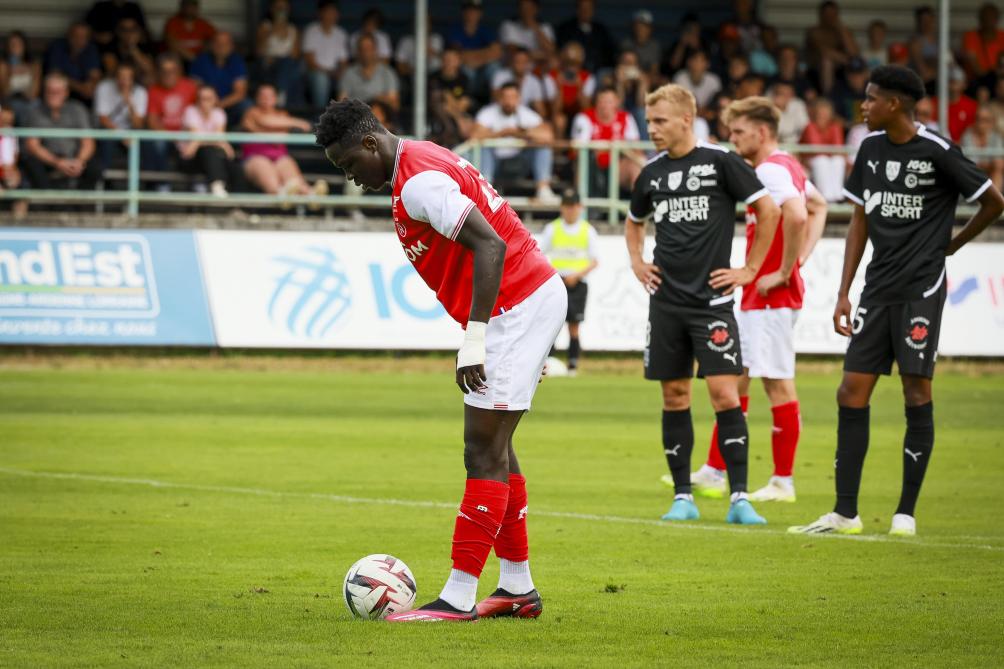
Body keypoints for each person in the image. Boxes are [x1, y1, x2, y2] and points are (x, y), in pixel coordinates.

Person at [316, 98, 566, 622]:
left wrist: (476, 338)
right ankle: (517, 587)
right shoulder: (420, 158)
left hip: (514, 304)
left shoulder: (418, 182)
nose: (351, 178)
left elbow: (490, 246)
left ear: (369, 142)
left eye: (349, 166)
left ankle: (457, 596)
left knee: (482, 449)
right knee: (497, 445)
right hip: (524, 302)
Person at [789, 65, 1004, 537]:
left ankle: (906, 511)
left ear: (895, 104)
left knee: (916, 390)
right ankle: (845, 512)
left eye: (869, 99)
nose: (862, 107)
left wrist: (953, 245)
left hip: (920, 290)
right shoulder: (869, 149)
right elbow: (860, 222)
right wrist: (844, 292)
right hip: (877, 289)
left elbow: (993, 201)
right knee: (851, 391)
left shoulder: (939, 151)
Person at [624, 83, 780, 525]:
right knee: (675, 397)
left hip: (712, 302)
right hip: (666, 302)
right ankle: (682, 497)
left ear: (686, 120)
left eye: (660, 121)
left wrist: (749, 270)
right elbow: (634, 223)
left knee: (724, 393)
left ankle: (740, 499)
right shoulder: (651, 174)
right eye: (649, 121)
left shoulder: (721, 162)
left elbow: (768, 211)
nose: (651, 129)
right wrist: (637, 261)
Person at [688, 96, 828, 501]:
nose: (733, 139)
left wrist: (785, 270)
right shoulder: (789, 164)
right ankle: (716, 468)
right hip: (765, 294)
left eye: (739, 132)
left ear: (762, 132)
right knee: (740, 375)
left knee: (778, 383)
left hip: (771, 295)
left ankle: (783, 480)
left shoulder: (769, 169)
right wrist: (799, 259)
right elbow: (818, 207)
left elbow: (800, 215)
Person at [538, 188, 598, 374]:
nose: (570, 210)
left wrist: (577, 275)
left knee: (574, 326)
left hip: (577, 283)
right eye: (567, 206)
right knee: (552, 324)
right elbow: (539, 254)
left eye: (573, 206)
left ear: (580, 207)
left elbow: (594, 261)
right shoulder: (552, 229)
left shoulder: (587, 230)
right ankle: (549, 362)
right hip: (557, 282)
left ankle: (573, 364)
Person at [471, 82, 558, 203]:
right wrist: (501, 133)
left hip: (520, 162)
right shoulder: (487, 113)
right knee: (484, 147)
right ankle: (486, 191)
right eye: (505, 97)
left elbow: (548, 136)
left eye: (512, 97)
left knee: (543, 145)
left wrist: (519, 133)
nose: (508, 101)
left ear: (518, 99)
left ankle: (543, 188)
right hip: (496, 163)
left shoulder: (527, 114)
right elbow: (474, 136)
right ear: (499, 98)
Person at [240, 84, 325, 201]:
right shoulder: (251, 112)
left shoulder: (282, 115)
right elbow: (265, 121)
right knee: (266, 169)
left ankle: (310, 194)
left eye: (269, 96)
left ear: (275, 98)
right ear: (257, 98)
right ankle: (282, 194)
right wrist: (296, 122)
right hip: (255, 157)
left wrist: (260, 132)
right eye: (262, 96)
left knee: (291, 173)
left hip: (279, 157)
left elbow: (278, 138)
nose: (266, 99)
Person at [20, 73, 101, 191]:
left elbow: (88, 142)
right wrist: (57, 162)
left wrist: (79, 161)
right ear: (44, 92)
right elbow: (33, 146)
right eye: (50, 91)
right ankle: (48, 204)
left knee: (95, 168)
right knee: (31, 163)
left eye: (57, 91)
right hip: (48, 159)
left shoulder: (77, 109)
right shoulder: (35, 112)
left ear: (66, 92)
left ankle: (80, 204)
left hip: (75, 156)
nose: (53, 95)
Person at [571, 86, 643, 196]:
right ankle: (581, 206)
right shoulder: (584, 117)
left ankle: (638, 209)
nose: (605, 105)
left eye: (609, 101)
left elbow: (637, 149)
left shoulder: (626, 117)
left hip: (617, 167)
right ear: (596, 102)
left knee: (635, 166)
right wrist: (611, 147)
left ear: (617, 103)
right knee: (582, 161)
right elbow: (578, 150)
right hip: (592, 165)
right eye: (602, 101)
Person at [179, 84, 239, 197]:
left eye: (209, 99)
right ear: (197, 100)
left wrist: (215, 142)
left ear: (215, 100)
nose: (205, 102)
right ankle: (217, 186)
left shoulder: (219, 113)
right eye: (202, 98)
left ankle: (239, 207)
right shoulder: (190, 111)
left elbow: (217, 139)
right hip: (189, 159)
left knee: (236, 166)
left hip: (211, 158)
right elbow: (196, 141)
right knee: (209, 151)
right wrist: (218, 142)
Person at [146, 52, 198, 177]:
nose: (168, 75)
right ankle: (162, 182)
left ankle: (196, 182)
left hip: (187, 133)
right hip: (165, 135)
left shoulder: (190, 87)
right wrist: (171, 136)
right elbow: (152, 121)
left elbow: (199, 113)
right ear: (158, 72)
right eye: (164, 71)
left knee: (197, 141)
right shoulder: (153, 90)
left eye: (173, 70)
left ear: (180, 71)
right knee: (158, 143)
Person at [94, 61, 147, 168]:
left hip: (131, 132)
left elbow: (138, 124)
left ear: (133, 79)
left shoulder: (141, 92)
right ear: (115, 77)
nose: (124, 81)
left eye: (128, 77)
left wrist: (129, 103)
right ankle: (104, 178)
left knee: (145, 143)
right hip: (110, 130)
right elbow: (103, 119)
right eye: (121, 76)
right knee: (106, 139)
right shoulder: (104, 87)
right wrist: (121, 135)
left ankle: (141, 180)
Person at [190, 31, 249, 126]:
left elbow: (240, 93)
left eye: (225, 43)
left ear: (232, 46)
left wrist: (219, 104)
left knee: (246, 105)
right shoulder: (201, 60)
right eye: (218, 43)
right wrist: (208, 102)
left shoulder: (237, 61)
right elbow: (195, 88)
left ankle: (234, 136)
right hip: (205, 103)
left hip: (228, 104)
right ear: (211, 45)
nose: (221, 46)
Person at [255, 0, 303, 108]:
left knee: (287, 63)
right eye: (278, 8)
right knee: (288, 68)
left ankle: (281, 95)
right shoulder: (265, 26)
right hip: (268, 64)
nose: (281, 11)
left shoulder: (293, 29)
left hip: (286, 65)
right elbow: (259, 51)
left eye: (284, 8)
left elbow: (295, 55)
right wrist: (273, 30)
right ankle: (281, 96)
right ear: (272, 9)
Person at [804, 1, 859, 95]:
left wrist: (842, 31)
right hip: (817, 70)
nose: (829, 17)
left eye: (833, 14)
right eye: (827, 14)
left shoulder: (843, 31)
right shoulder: (814, 32)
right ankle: (828, 96)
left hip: (841, 70)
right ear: (821, 15)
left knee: (858, 69)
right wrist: (846, 59)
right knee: (827, 62)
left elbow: (854, 54)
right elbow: (824, 52)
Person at [302, 0, 349, 108]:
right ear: (320, 13)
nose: (331, 15)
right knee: (321, 79)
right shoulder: (311, 30)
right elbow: (310, 62)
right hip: (314, 73)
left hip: (334, 73)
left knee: (348, 76)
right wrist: (329, 72)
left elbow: (343, 61)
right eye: (328, 12)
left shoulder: (341, 33)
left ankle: (342, 116)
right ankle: (320, 115)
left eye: (334, 12)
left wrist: (340, 72)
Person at [338, 34, 399, 116]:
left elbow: (395, 105)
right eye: (362, 49)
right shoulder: (349, 73)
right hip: (355, 118)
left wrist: (379, 100)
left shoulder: (387, 72)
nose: (365, 52)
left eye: (369, 48)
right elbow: (341, 104)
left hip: (380, 120)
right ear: (358, 52)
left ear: (375, 50)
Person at [44, 22, 101, 104]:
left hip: (84, 97)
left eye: (83, 37)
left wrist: (91, 86)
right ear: (69, 36)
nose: (79, 40)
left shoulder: (90, 50)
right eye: (76, 36)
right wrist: (80, 87)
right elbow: (55, 75)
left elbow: (95, 75)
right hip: (59, 94)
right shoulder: (57, 47)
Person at [800, 98, 845, 202]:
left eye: (826, 112)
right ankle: (826, 198)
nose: (823, 115)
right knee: (822, 160)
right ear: (815, 113)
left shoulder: (835, 126)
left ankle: (837, 197)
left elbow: (838, 148)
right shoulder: (810, 126)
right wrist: (829, 152)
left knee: (838, 160)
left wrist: (829, 153)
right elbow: (815, 150)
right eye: (820, 112)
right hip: (809, 161)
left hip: (829, 159)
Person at [491, 47, 555, 119]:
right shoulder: (500, 76)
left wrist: (537, 122)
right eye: (517, 61)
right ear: (512, 62)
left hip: (522, 116)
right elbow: (495, 99)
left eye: (524, 61)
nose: (520, 64)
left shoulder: (534, 81)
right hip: (500, 113)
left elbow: (541, 110)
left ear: (529, 63)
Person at [555, 0, 615, 72]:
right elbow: (561, 51)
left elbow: (610, 53)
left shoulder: (601, 30)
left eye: (589, 8)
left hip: (597, 71)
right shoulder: (566, 28)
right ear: (577, 9)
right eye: (583, 8)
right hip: (574, 69)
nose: (586, 11)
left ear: (593, 10)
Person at [0, 31, 42, 123]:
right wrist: (10, 72)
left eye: (18, 44)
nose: (15, 48)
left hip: (29, 101)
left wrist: (27, 71)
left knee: (34, 106)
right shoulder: (3, 65)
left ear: (24, 46)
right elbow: (4, 93)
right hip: (9, 102)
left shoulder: (34, 65)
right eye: (12, 44)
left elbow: (35, 93)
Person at [961, 104, 1004, 190]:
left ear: (992, 122)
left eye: (985, 120)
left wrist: (986, 165)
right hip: (973, 174)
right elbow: (969, 165)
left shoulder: (996, 137)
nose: (981, 123)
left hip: (991, 174)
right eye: (978, 119)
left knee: (997, 171)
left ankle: (993, 201)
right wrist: (989, 165)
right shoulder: (967, 136)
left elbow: (999, 164)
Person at [962, 4, 1004, 86]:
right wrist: (989, 77)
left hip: (999, 79)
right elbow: (973, 63)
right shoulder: (971, 36)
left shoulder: (1002, 36)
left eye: (992, 17)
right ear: (980, 18)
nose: (989, 20)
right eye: (986, 17)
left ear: (997, 19)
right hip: (976, 80)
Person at [163, 0, 215, 65]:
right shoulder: (173, 22)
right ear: (182, 7)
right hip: (179, 60)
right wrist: (193, 58)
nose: (190, 9)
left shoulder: (203, 23)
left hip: (200, 59)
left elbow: (214, 38)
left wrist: (204, 51)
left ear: (196, 8)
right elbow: (171, 43)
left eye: (192, 6)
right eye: (187, 6)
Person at [620, 9, 661, 84]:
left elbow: (654, 70)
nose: (640, 29)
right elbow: (623, 65)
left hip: (645, 77)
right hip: (628, 74)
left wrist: (642, 75)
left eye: (644, 26)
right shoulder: (627, 43)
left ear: (650, 29)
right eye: (638, 26)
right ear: (633, 27)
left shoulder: (654, 46)